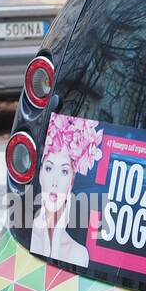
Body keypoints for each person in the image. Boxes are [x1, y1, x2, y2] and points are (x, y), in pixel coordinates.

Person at [29, 114, 102, 268]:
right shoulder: (22, 235)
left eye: (64, 172)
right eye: (49, 168)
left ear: (71, 181)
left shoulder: (79, 254)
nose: (54, 182)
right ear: (40, 174)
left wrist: (55, 243)